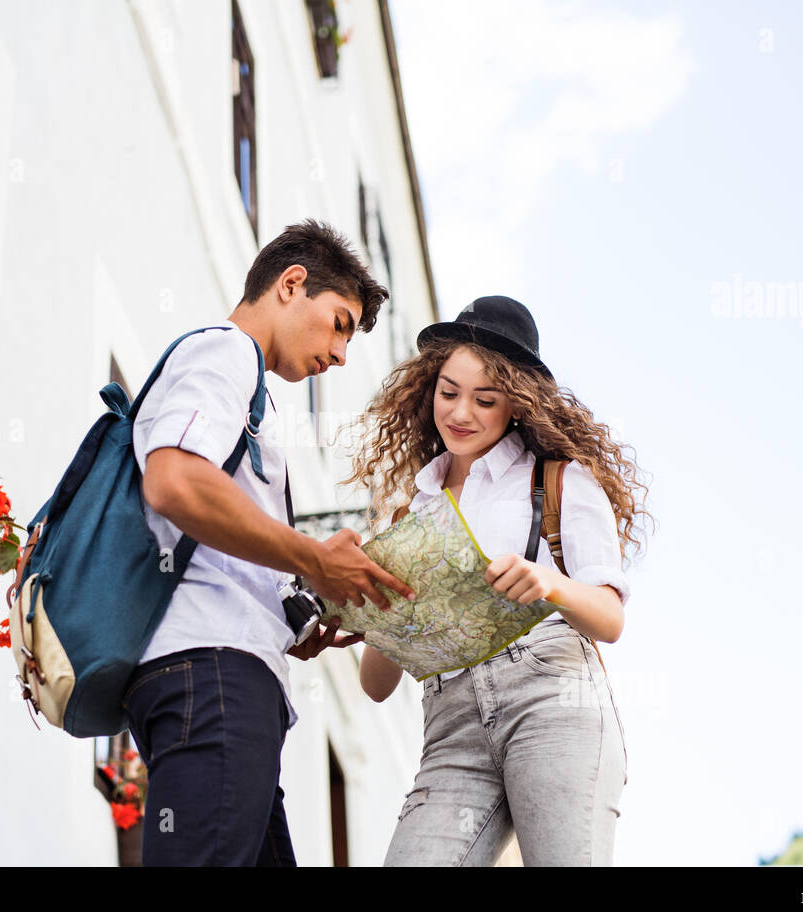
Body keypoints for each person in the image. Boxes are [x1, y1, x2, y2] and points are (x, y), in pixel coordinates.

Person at [124, 219, 414, 866]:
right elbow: (173, 482)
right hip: (214, 674)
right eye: (340, 322)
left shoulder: (248, 389)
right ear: (291, 285)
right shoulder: (224, 352)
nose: (341, 355)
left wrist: (301, 615)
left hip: (224, 674)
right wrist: (313, 557)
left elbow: (204, 522)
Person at [346, 295, 653, 866]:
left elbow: (610, 619)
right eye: (448, 392)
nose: (461, 413)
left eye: (485, 399)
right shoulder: (412, 514)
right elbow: (376, 684)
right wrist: (383, 608)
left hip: (551, 699)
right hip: (450, 724)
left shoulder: (558, 482)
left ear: (516, 404)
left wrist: (549, 583)